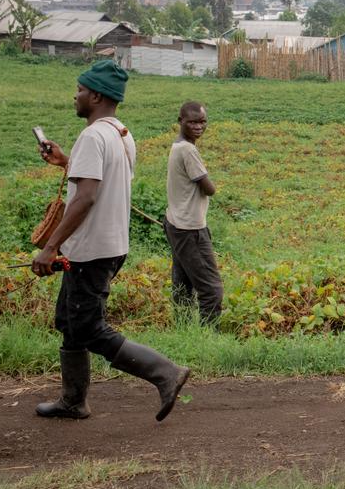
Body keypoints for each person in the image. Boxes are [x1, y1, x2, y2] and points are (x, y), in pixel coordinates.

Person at [33, 60, 191, 421]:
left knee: (88, 327)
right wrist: (65, 162)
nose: (75, 96)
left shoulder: (92, 135)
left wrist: (51, 246)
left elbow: (86, 196)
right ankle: (73, 401)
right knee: (69, 321)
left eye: (80, 90)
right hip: (111, 244)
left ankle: (166, 373)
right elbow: (98, 178)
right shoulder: (120, 133)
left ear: (96, 95)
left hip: (90, 249)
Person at [165, 101, 223, 326]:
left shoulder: (177, 145)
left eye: (202, 122)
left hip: (175, 222)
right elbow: (209, 188)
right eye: (192, 122)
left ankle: (183, 329)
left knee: (183, 286)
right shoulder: (188, 150)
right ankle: (208, 338)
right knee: (211, 289)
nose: (199, 127)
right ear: (180, 122)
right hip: (190, 228)